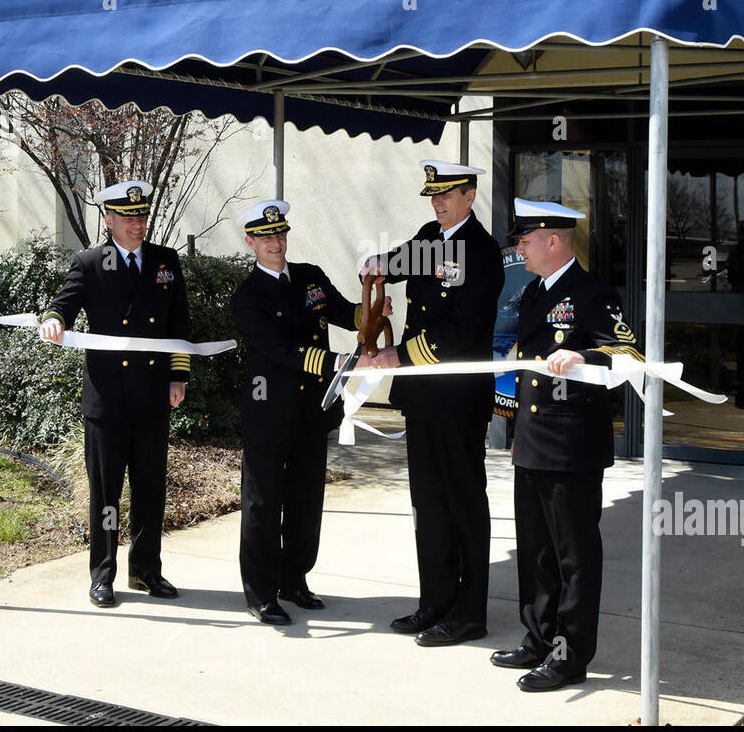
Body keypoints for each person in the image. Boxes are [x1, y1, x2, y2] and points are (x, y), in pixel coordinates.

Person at [491, 198, 640, 690]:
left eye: (526, 240)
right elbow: (525, 367)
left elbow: (627, 351)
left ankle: (569, 655)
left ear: (553, 241)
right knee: (534, 549)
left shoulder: (594, 292)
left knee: (573, 555)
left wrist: (583, 352)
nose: (520, 248)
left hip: (572, 444)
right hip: (534, 439)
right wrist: (515, 432)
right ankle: (537, 638)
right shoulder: (534, 291)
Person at [366, 161, 504, 646]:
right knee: (428, 502)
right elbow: (398, 261)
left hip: (458, 399)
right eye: (433, 196)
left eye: (447, 195)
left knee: (463, 501)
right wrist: (377, 265)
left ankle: (470, 613)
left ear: (469, 196)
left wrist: (397, 355)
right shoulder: (431, 234)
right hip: (423, 397)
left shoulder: (482, 252)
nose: (437, 203)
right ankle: (435, 601)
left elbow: (462, 333)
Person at [38, 180, 191, 608]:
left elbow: (178, 325)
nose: (137, 225)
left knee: (150, 488)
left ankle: (146, 570)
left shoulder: (166, 261)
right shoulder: (89, 262)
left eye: (141, 217)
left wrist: (178, 378)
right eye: (127, 218)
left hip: (151, 396)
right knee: (106, 493)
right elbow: (63, 304)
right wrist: (54, 321)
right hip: (106, 399)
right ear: (109, 221)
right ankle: (102, 574)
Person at [230, 200, 382, 625]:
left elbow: (342, 311)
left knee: (305, 499)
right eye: (265, 237)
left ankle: (294, 579)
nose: (275, 243)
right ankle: (261, 593)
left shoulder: (311, 277)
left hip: (312, 410)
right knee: (263, 503)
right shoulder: (246, 298)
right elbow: (281, 350)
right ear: (250, 242)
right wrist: (339, 362)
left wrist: (370, 311)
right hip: (269, 413)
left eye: (280, 234)